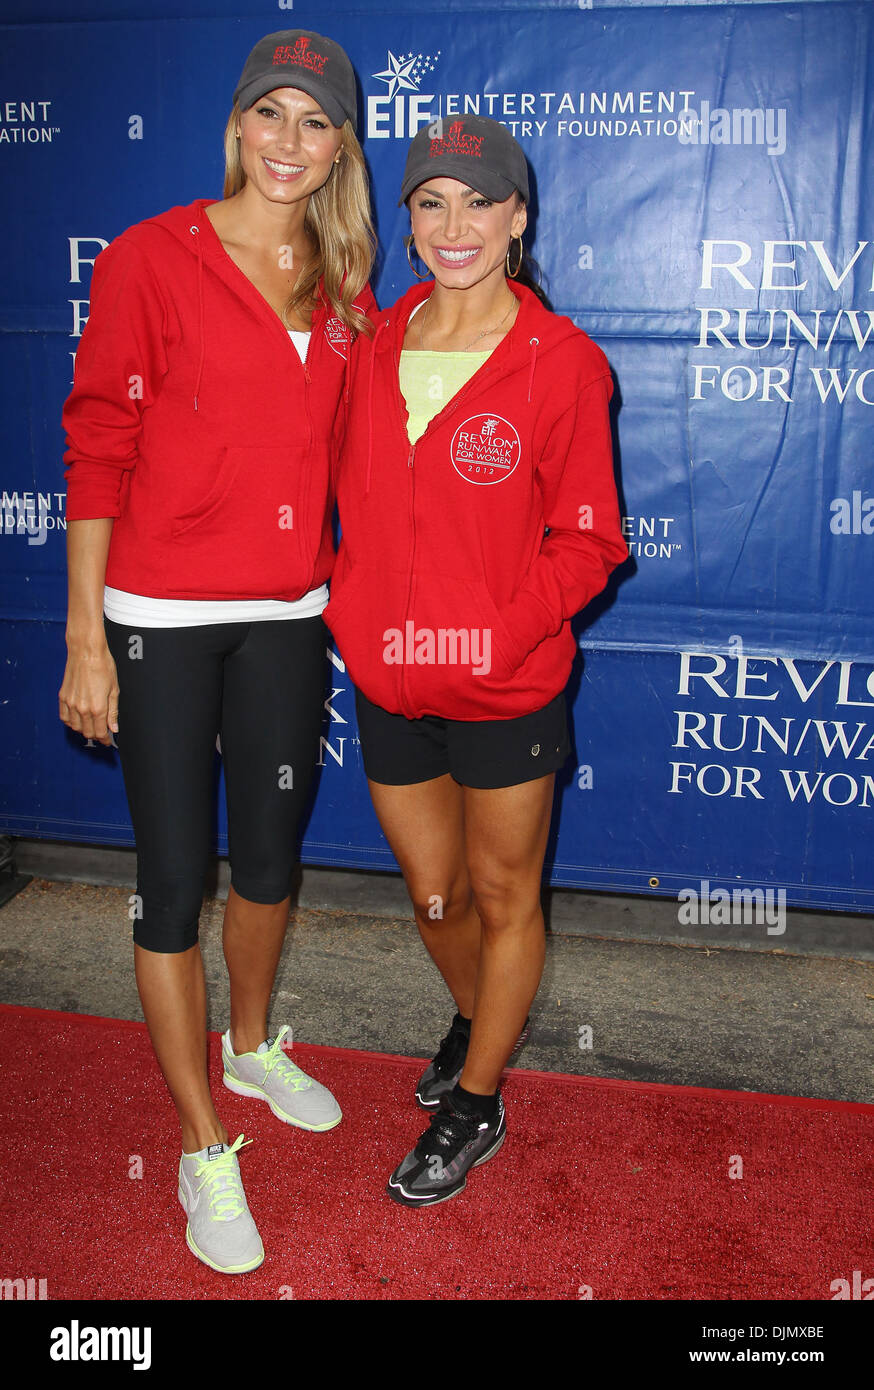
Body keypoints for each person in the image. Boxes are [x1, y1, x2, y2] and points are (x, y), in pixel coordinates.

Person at [59, 30, 376, 1271]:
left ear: (341, 143)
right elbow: (96, 446)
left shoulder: (346, 282)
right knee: (174, 872)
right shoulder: (153, 256)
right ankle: (201, 1147)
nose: (289, 141)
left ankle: (249, 1047)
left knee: (273, 860)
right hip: (161, 614)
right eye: (269, 115)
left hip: (291, 616)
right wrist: (86, 636)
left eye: (315, 121)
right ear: (237, 126)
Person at [323, 115, 628, 1207]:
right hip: (389, 679)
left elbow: (591, 538)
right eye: (431, 202)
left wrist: (497, 631)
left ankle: (479, 1097)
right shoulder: (364, 343)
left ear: (517, 218)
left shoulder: (561, 363)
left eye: (479, 202)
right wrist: (345, 612)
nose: (455, 225)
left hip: (506, 683)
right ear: (406, 220)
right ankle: (472, 1015)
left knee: (503, 894)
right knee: (436, 895)